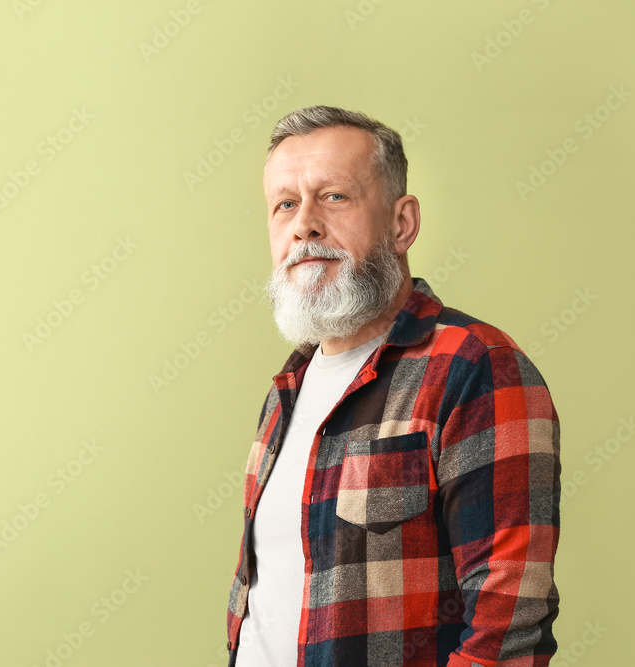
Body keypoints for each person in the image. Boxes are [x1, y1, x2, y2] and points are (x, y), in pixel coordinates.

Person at [225, 105, 561, 667]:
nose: (304, 223)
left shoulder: (476, 368)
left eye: (334, 196)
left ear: (401, 223)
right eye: (285, 204)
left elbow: (509, 628)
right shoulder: (288, 389)